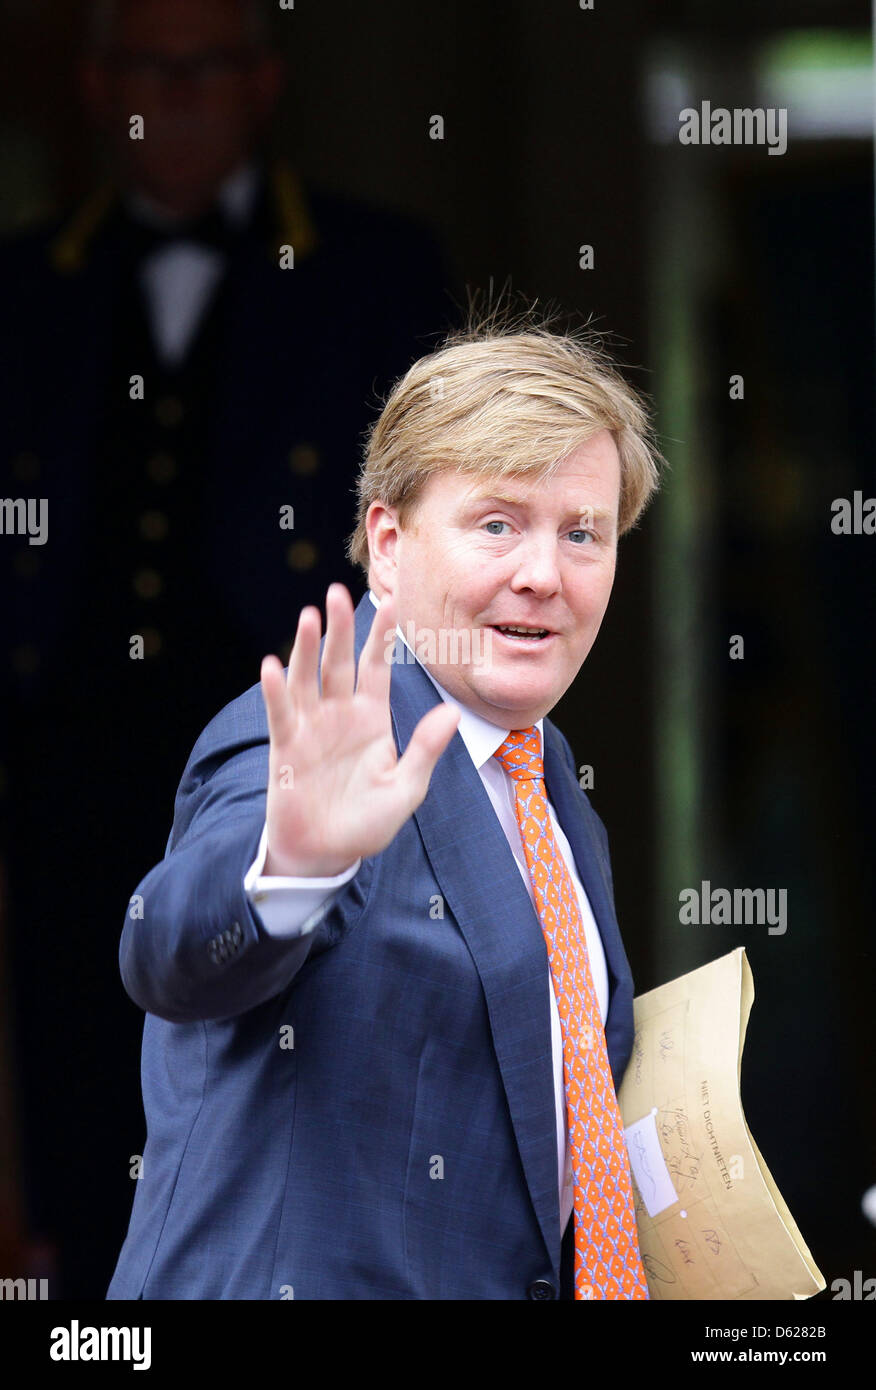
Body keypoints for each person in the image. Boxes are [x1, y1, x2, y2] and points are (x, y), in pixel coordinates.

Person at [1, 0, 450, 1296]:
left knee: (294, 1067)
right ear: (95, 85)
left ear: (266, 83)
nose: (179, 95)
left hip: (288, 745)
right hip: (74, 775)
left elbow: (424, 524)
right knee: (87, 1083)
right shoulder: (25, 285)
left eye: (209, 65)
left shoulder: (376, 266)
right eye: (149, 63)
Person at [106, 315, 662, 1300]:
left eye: (583, 532)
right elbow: (167, 950)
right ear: (390, 544)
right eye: (498, 522)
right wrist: (293, 863)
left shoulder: (551, 785)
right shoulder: (321, 738)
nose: (544, 571)